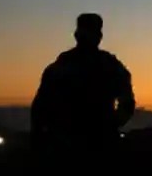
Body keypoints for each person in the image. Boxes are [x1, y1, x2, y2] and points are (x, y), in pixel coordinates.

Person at [31, 13, 136, 148]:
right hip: (71, 141)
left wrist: (110, 126)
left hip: (91, 140)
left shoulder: (109, 65)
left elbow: (127, 103)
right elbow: (40, 106)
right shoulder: (63, 66)